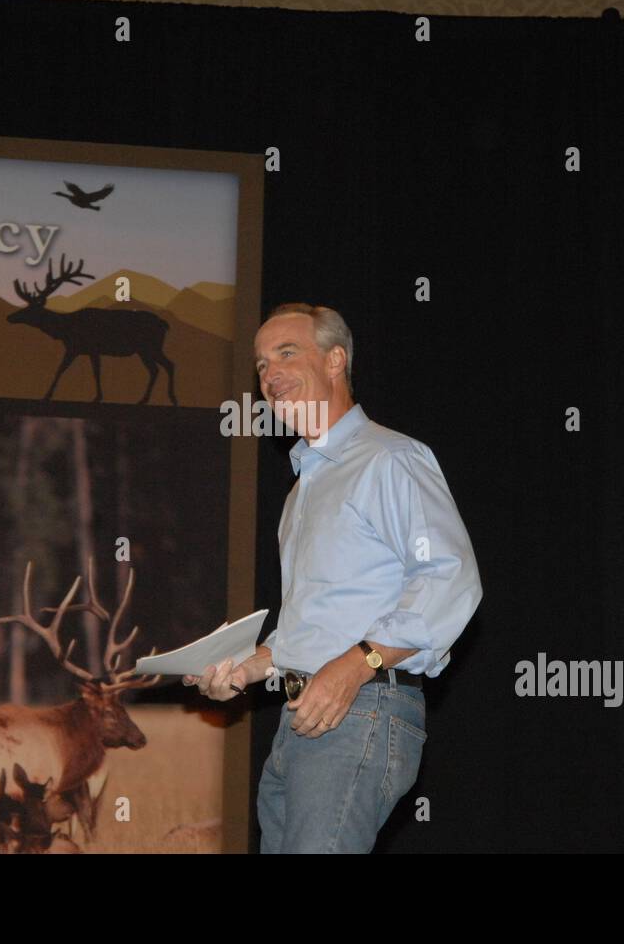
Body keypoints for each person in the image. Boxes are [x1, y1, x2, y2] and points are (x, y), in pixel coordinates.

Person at [184, 302, 482, 853]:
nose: (269, 374)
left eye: (286, 353)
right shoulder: (304, 487)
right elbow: (317, 623)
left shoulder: (388, 458)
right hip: (302, 717)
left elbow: (450, 577)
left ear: (336, 359)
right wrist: (246, 668)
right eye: (260, 364)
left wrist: (355, 665)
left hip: (361, 709)